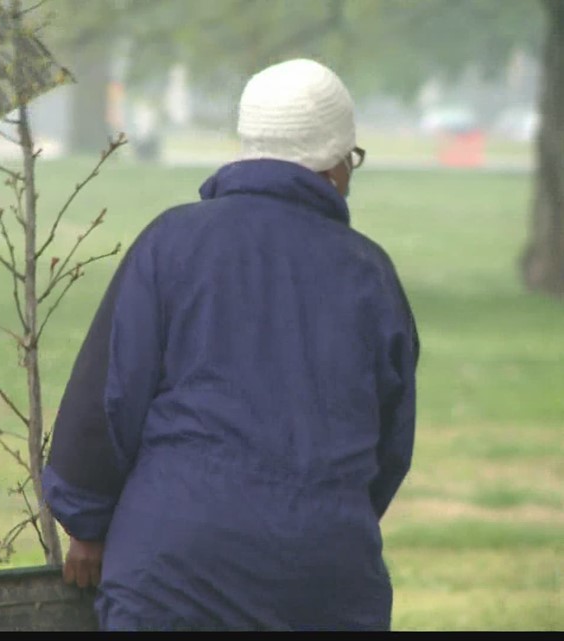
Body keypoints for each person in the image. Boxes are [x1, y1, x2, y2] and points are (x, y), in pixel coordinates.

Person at [41, 58, 420, 631]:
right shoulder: (370, 275)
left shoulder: (171, 243)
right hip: (325, 578)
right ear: (336, 163)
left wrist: (86, 523)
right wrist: (331, 517)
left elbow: (106, 399)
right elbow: (390, 445)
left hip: (173, 568)